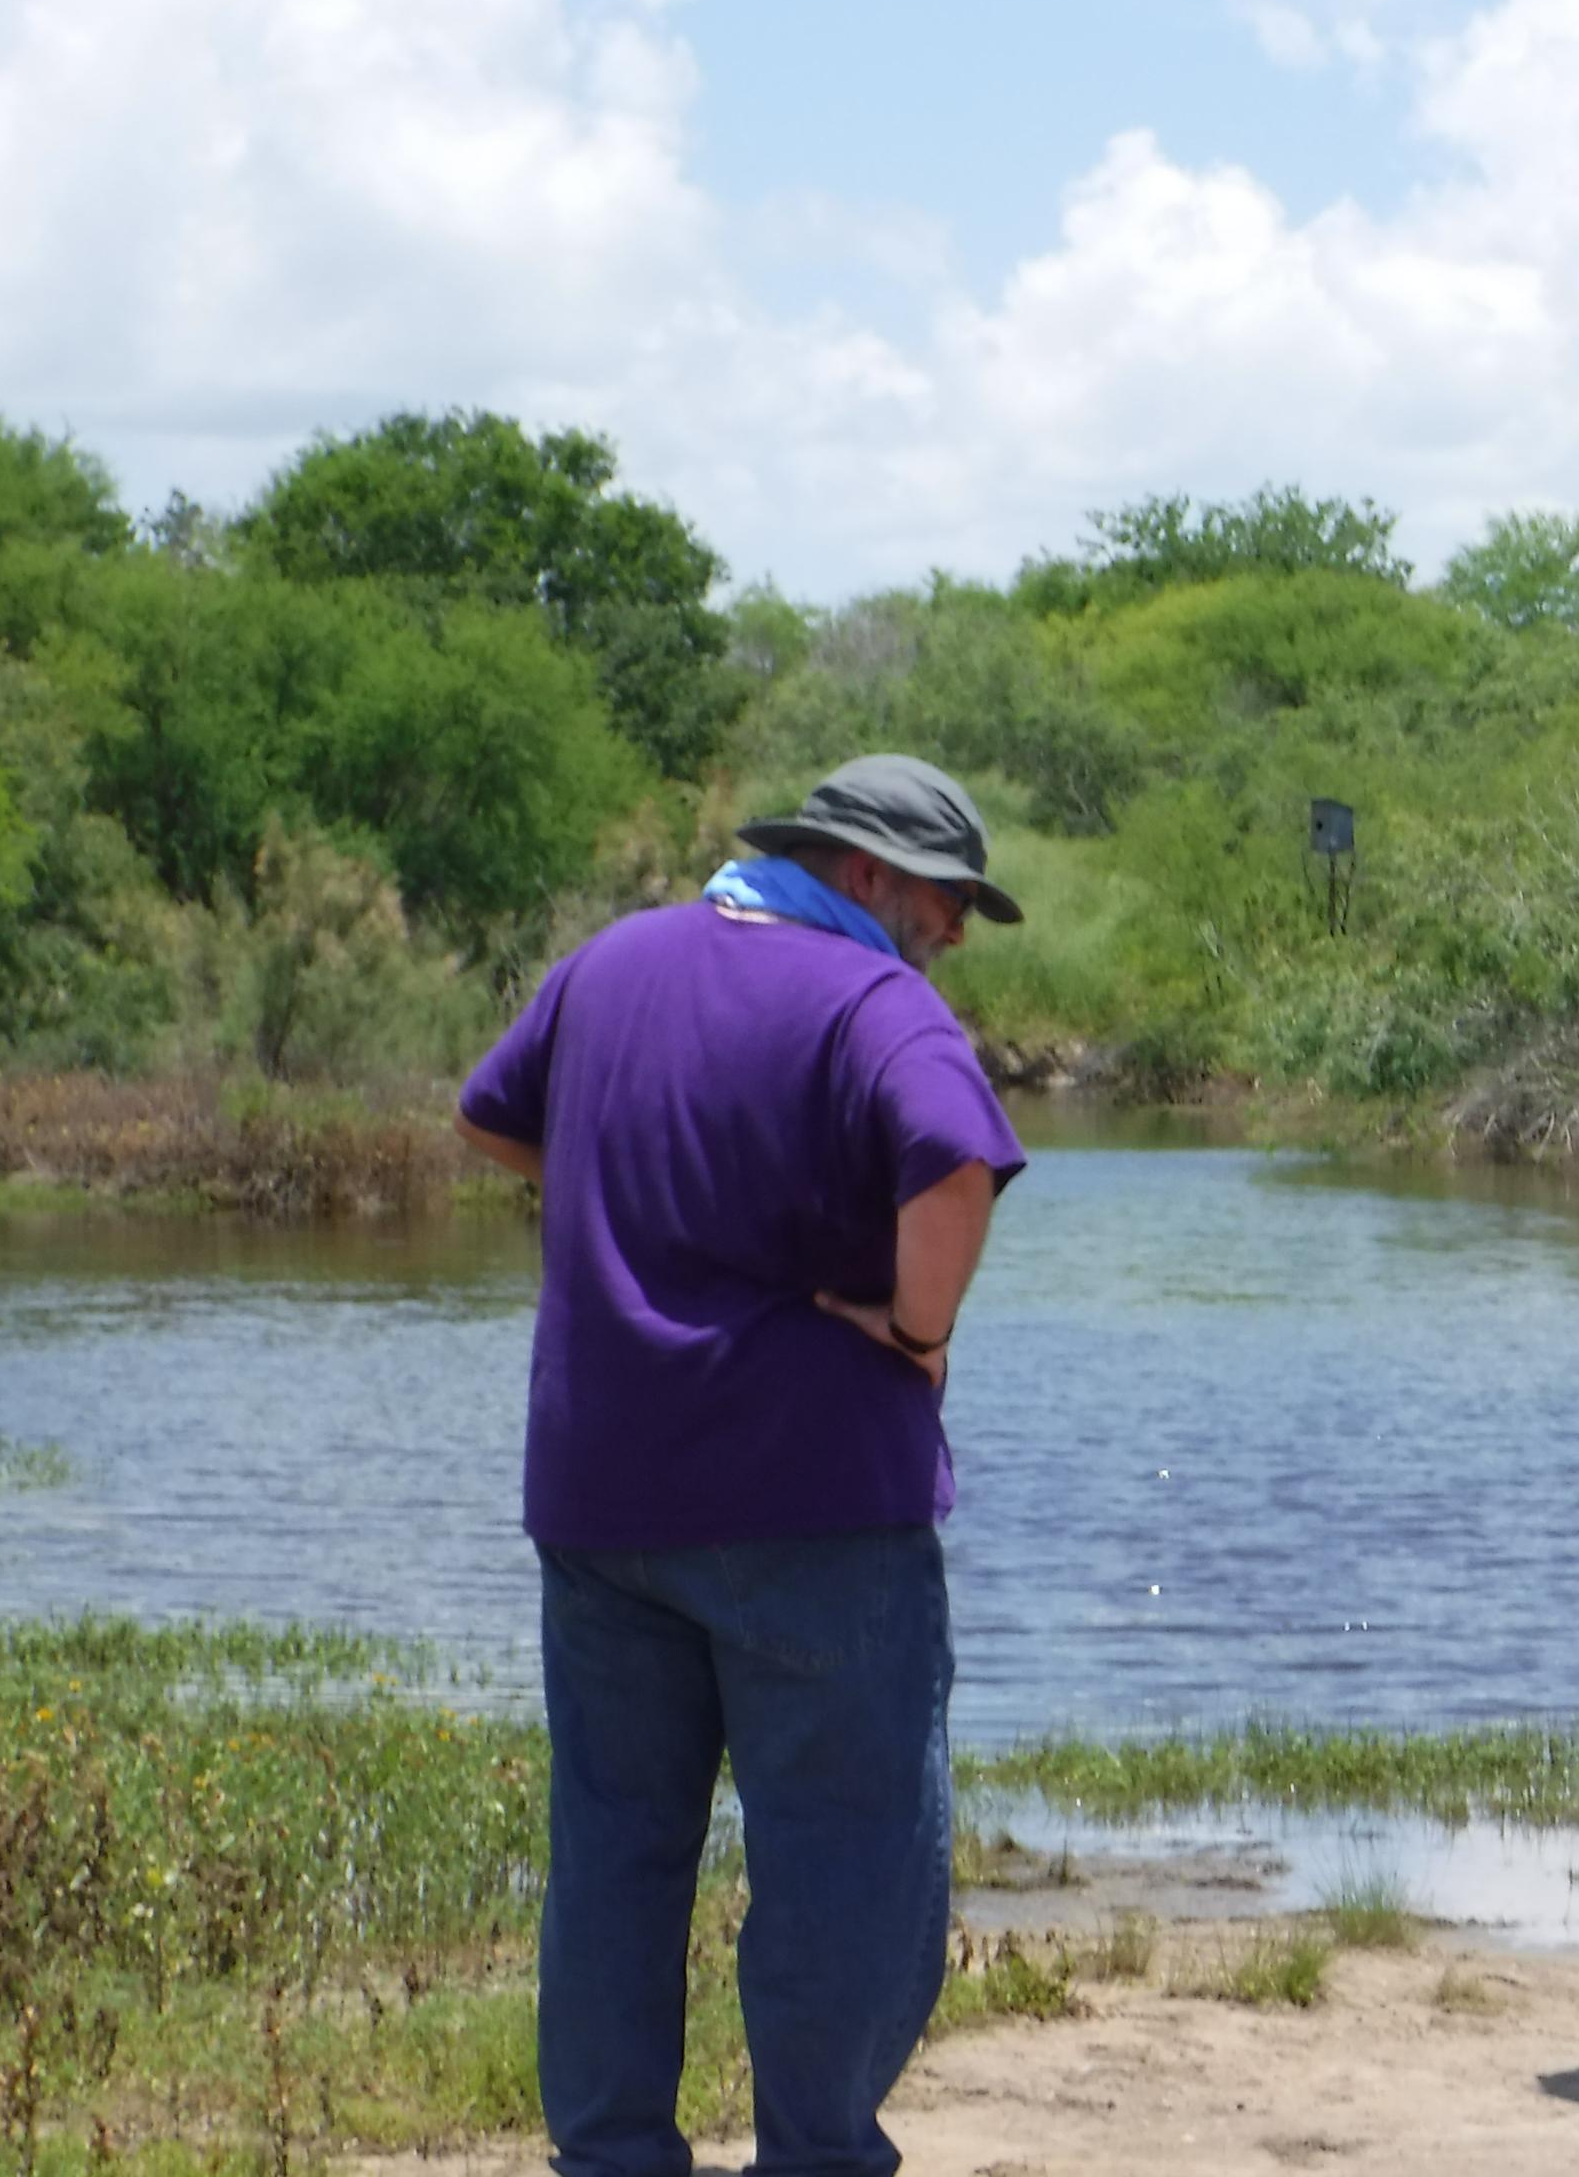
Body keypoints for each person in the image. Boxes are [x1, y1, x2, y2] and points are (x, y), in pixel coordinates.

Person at [455, 754, 1029, 2177]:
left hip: (601, 1497)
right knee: (846, 1860)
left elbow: (487, 1114)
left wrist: (629, 1195)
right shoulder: (872, 998)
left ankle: (611, 2158)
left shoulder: (610, 965)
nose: (953, 933)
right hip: (812, 1506)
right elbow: (955, 1165)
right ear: (866, 876)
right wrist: (913, 1327)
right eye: (948, 901)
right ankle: (817, 2156)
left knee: (614, 1854)